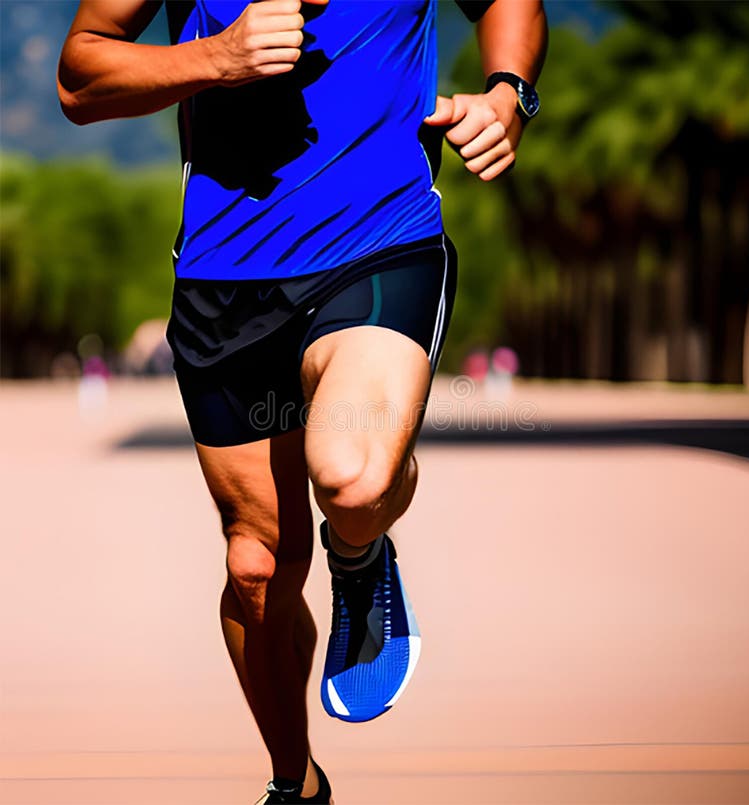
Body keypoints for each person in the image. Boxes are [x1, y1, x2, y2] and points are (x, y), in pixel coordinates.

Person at [58, 1, 547, 801]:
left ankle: (358, 551)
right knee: (256, 568)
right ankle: (296, 782)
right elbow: (80, 74)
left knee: (352, 475)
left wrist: (507, 94)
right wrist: (217, 56)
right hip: (222, 281)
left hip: (381, 239)